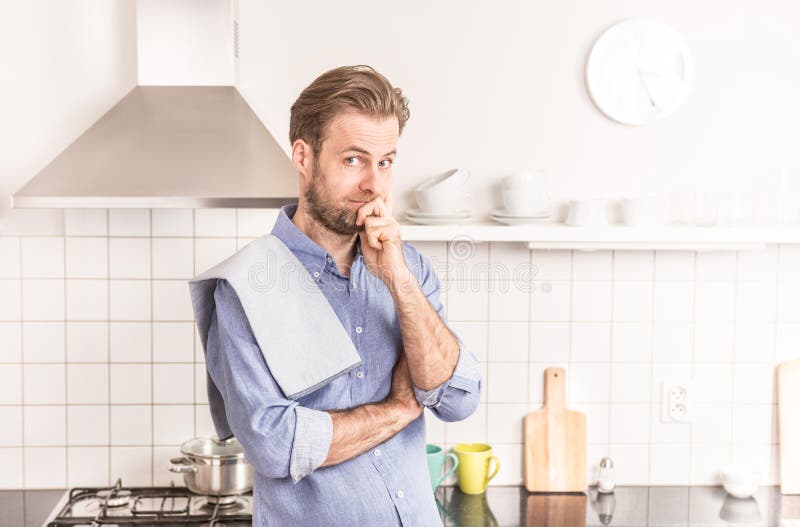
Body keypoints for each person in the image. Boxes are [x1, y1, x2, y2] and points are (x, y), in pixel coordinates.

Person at [201, 65, 481, 526]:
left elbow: (457, 399)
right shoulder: (246, 287)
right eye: (354, 160)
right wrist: (398, 409)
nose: (374, 184)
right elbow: (275, 445)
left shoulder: (409, 268)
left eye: (385, 162)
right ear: (303, 157)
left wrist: (399, 281)